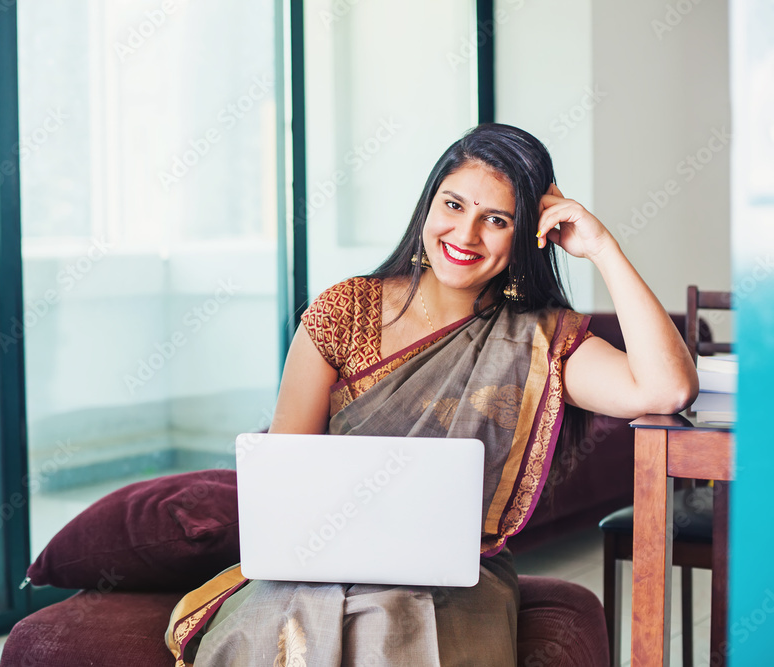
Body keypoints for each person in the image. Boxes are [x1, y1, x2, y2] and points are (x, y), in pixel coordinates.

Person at [165, 123, 698, 666]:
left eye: (496, 220)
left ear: (526, 236)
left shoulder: (539, 339)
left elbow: (667, 387)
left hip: (451, 580)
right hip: (318, 559)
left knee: (393, 636)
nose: (465, 235)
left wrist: (602, 248)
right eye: (453, 205)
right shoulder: (344, 312)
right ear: (428, 205)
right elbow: (287, 475)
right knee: (270, 636)